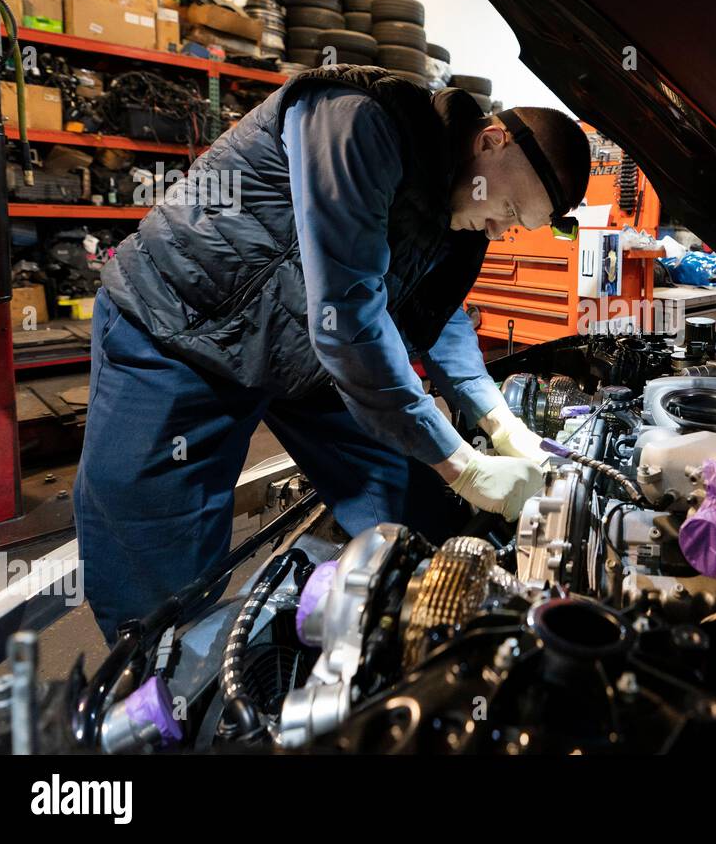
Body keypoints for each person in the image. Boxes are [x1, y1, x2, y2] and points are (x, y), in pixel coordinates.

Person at [73, 64, 590, 639]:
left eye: (517, 228)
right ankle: (164, 703)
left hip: (302, 353)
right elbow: (347, 319)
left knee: (416, 503)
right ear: (491, 141)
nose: (500, 232)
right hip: (182, 329)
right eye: (511, 212)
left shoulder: (461, 202)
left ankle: (404, 639)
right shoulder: (359, 122)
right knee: (159, 564)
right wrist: (463, 464)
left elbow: (433, 319)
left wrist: (497, 421)